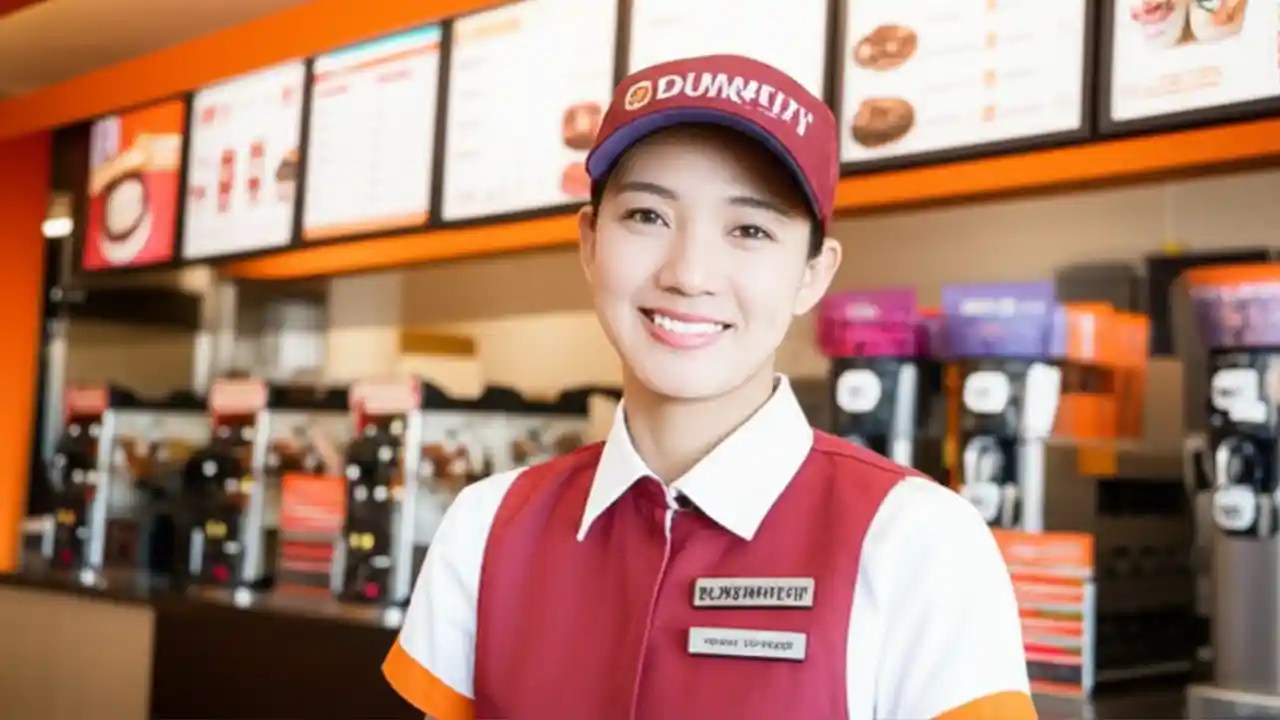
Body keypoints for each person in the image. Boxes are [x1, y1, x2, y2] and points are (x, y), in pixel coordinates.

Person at [383, 54, 1034, 720]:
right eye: (646, 217)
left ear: (813, 273)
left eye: (749, 230)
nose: (690, 273)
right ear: (589, 242)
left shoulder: (918, 542)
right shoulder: (487, 529)